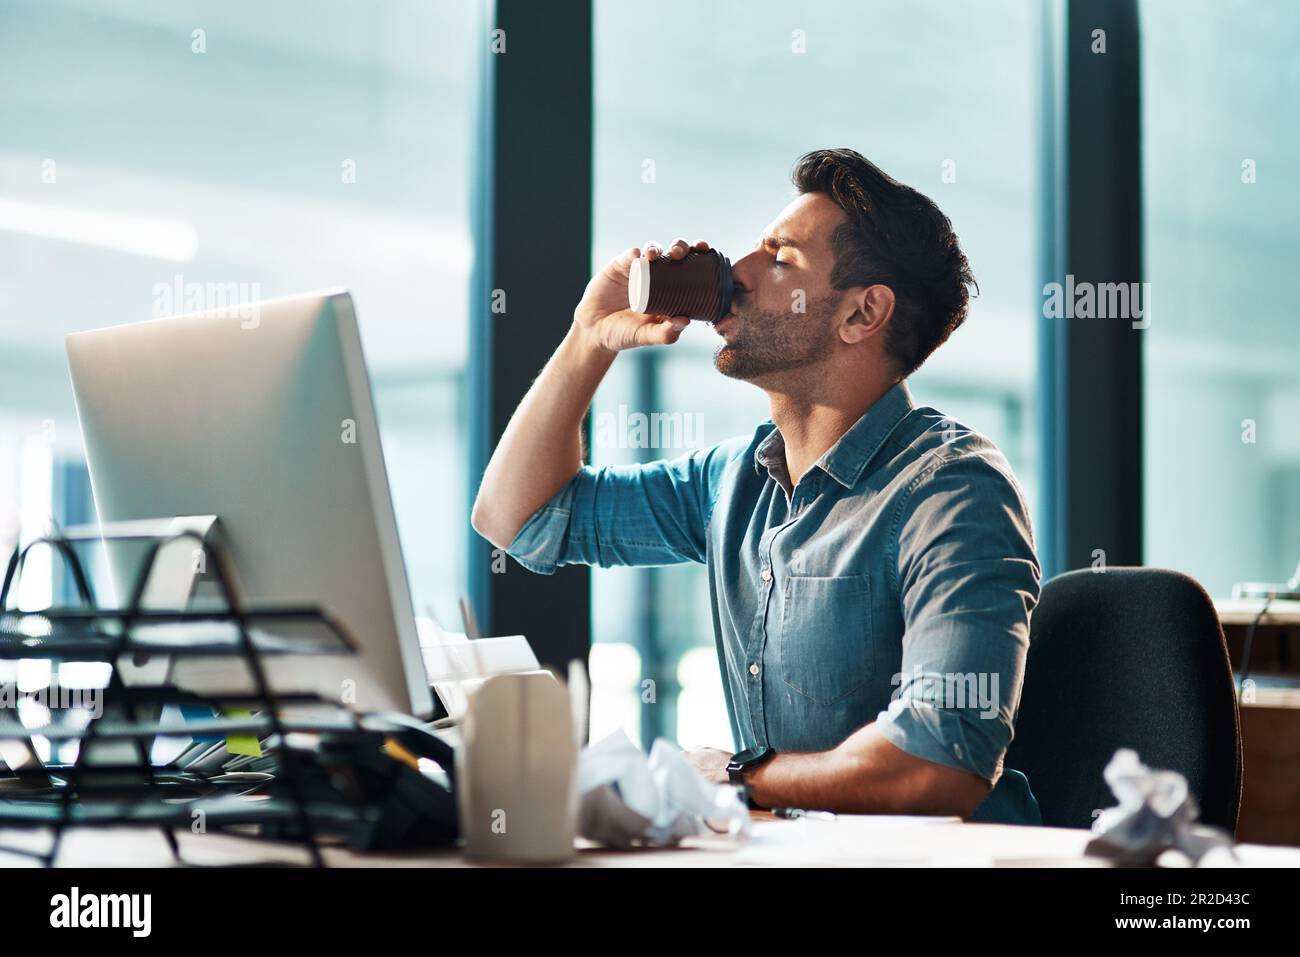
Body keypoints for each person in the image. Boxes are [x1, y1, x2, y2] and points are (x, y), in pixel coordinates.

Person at [472, 148, 1041, 823]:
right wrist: (587, 338)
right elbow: (521, 518)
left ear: (862, 314)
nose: (737, 273)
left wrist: (745, 774)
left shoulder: (953, 493)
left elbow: (937, 764)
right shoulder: (734, 481)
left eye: (779, 259)